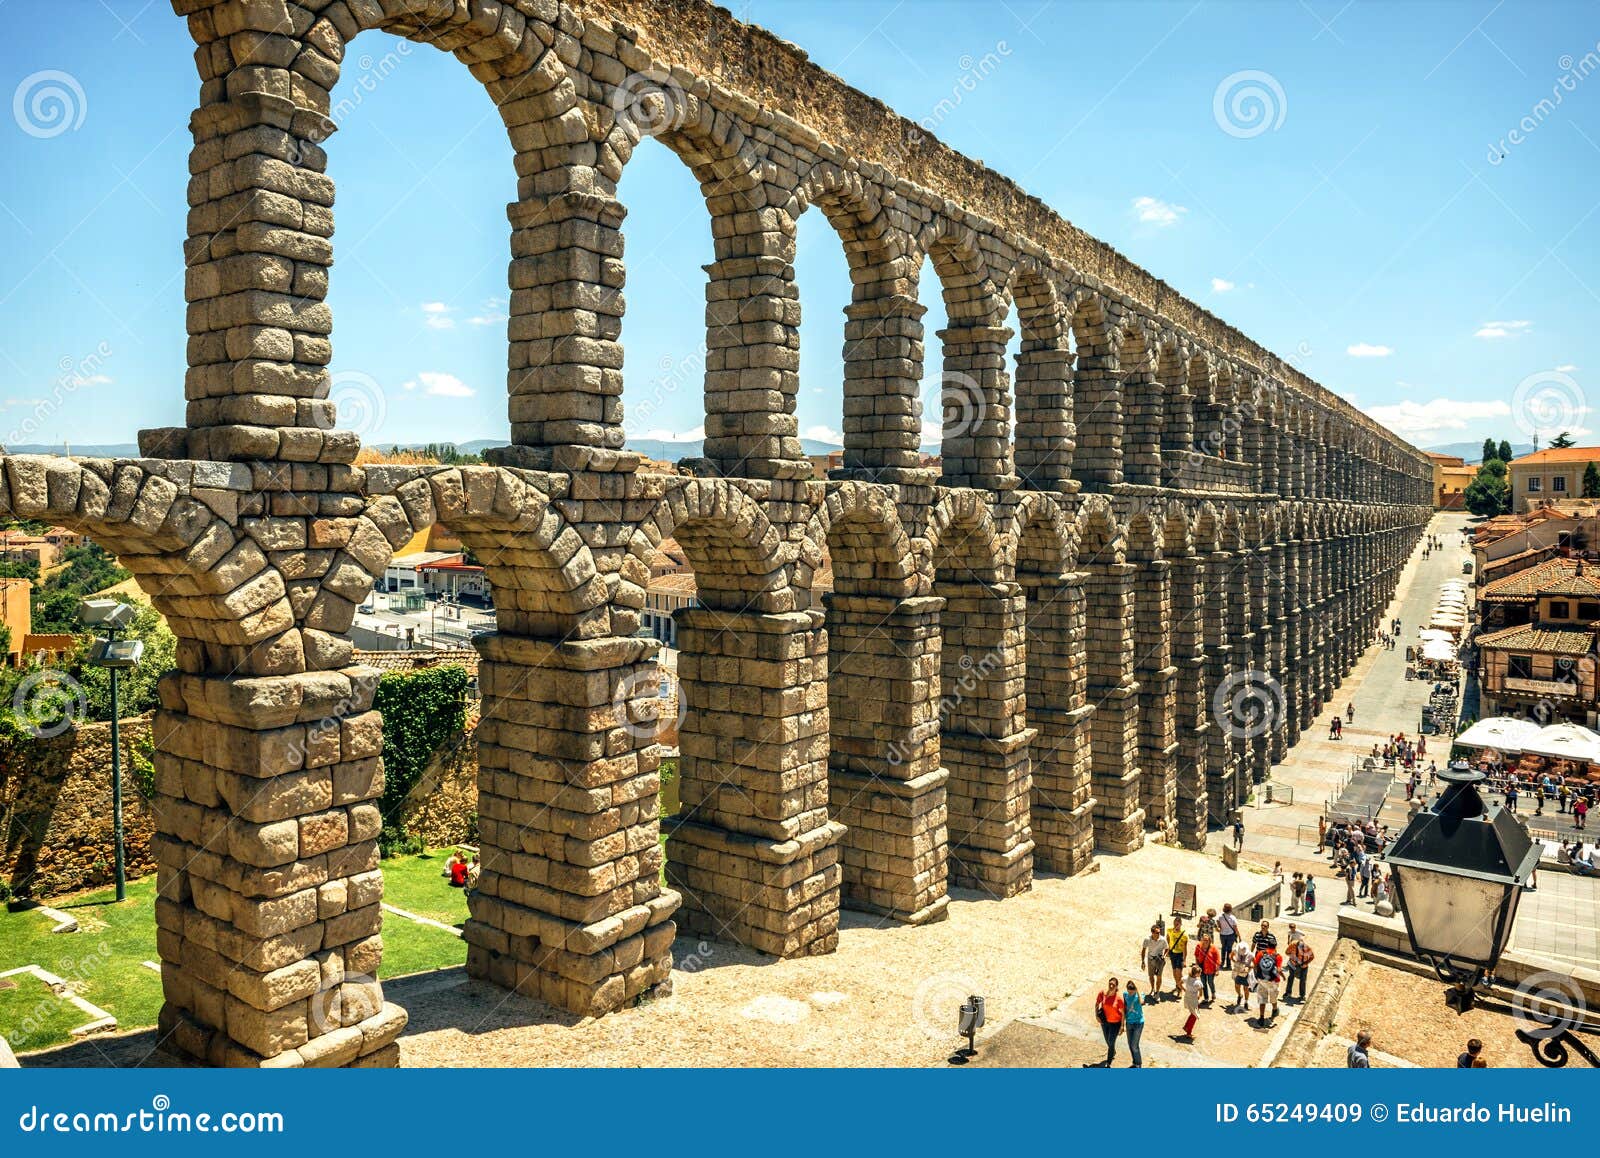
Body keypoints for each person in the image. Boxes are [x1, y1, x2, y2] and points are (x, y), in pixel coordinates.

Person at [1089, 976, 1124, 1067]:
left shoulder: (1119, 999)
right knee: (1108, 1041)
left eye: (1113, 984)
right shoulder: (1102, 993)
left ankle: (1108, 1063)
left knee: (1111, 1041)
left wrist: (1122, 1026)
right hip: (1105, 1022)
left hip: (1115, 1023)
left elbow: (1124, 1013)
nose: (1111, 985)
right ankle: (1113, 1051)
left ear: (1116, 987)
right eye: (1110, 983)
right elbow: (1097, 1003)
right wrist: (1096, 1015)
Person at [1252, 944, 1282, 1026]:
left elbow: (1255, 965)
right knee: (1273, 997)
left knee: (1262, 999)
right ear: (1275, 946)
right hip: (1273, 981)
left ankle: (1261, 1018)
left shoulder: (1260, 953)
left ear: (1267, 946)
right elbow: (1278, 970)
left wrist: (1257, 976)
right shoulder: (1278, 956)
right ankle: (1275, 1010)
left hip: (1262, 980)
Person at [1285, 926, 1314, 1003]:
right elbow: (1287, 952)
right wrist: (1293, 958)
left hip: (1303, 966)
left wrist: (1306, 963)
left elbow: (1312, 956)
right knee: (1291, 977)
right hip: (1293, 964)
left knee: (1303, 980)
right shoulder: (1292, 945)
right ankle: (1288, 992)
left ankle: (1302, 996)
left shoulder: (1307, 948)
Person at [1123, 980, 1146, 1067]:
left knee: (1134, 1045)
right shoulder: (1125, 994)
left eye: (1132, 988)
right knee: (1130, 1044)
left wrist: (1138, 990)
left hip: (1138, 1023)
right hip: (1129, 1022)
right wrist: (1122, 1024)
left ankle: (1138, 1064)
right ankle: (1135, 1062)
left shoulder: (1139, 995)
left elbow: (1142, 1002)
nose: (1130, 990)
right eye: (1129, 988)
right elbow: (1124, 1009)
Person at [1177, 964, 1203, 1042]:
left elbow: (1179, 983)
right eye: (1199, 973)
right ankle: (1188, 1031)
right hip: (1193, 999)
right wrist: (1198, 997)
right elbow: (1201, 993)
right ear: (1196, 974)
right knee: (1195, 1015)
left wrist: (1184, 989)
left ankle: (1187, 1027)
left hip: (1187, 997)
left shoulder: (1186, 978)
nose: (1200, 974)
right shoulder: (1198, 982)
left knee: (1193, 1014)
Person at [1141, 924, 1167, 997]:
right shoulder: (1147, 939)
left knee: (1159, 977)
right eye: (1157, 933)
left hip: (1159, 960)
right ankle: (1153, 989)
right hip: (1150, 959)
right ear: (1152, 933)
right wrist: (1143, 961)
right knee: (1151, 976)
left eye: (1159, 932)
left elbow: (1167, 948)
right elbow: (1143, 950)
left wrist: (1164, 956)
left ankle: (1157, 992)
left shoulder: (1163, 939)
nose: (1159, 934)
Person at [1165, 916, 1188, 998]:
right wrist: (1167, 950)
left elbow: (1185, 949)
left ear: (1181, 924)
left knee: (1178, 973)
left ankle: (1180, 990)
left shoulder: (1184, 935)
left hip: (1179, 955)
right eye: (1175, 923)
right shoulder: (1169, 930)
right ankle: (1178, 985)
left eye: (1178, 923)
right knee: (1175, 973)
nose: (1176, 925)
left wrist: (1184, 960)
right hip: (1172, 954)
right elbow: (1167, 939)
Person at [1195, 933, 1220, 1005]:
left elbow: (1218, 960)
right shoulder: (1198, 946)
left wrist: (1217, 970)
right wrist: (1197, 965)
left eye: (1207, 940)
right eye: (1204, 940)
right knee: (1203, 983)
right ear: (1201, 940)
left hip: (1211, 969)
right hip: (1201, 968)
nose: (1205, 941)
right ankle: (1206, 998)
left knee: (1210, 982)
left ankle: (1213, 992)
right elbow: (1196, 955)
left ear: (1209, 941)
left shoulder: (1213, 948)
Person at [1229, 938, 1253, 1013]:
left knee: (1246, 989)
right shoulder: (1235, 950)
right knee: (1237, 986)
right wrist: (1234, 961)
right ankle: (1239, 995)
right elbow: (1231, 956)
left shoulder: (1250, 954)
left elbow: (1254, 964)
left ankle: (1246, 1002)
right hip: (1238, 972)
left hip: (1246, 974)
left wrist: (1249, 968)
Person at [1218, 902, 1239, 966]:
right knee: (1229, 949)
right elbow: (1235, 928)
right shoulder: (1233, 918)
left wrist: (1221, 928)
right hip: (1230, 935)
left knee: (1223, 948)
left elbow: (1218, 923)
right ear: (1230, 909)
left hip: (1222, 935)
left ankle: (1222, 962)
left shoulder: (1220, 916)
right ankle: (1228, 964)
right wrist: (1239, 936)